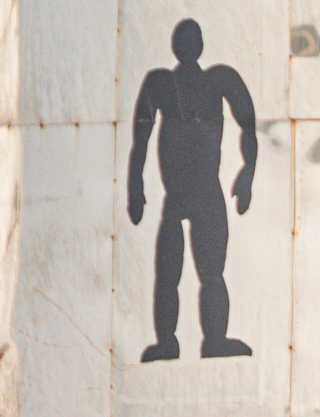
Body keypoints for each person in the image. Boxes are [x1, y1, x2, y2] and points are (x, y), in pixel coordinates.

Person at [126, 19, 257, 362]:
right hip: (179, 192)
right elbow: (140, 138)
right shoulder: (161, 83)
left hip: (205, 189)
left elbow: (249, 122)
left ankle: (213, 339)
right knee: (170, 271)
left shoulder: (218, 80)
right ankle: (168, 341)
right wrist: (135, 188)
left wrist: (248, 173)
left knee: (210, 271)